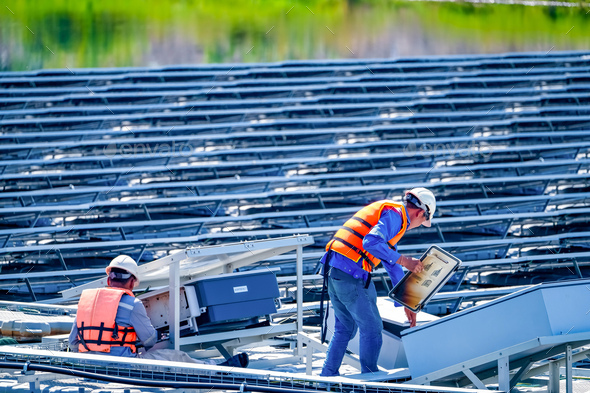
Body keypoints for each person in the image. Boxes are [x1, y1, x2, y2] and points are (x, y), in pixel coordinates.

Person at [320, 187, 436, 376]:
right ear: (421, 212)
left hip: (333, 269)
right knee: (372, 329)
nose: (420, 224)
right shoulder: (395, 216)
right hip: (350, 273)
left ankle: (327, 375)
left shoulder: (393, 215)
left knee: (345, 327)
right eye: (424, 221)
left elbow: (392, 264)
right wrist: (406, 260)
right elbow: (371, 243)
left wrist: (406, 302)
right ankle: (370, 379)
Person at [68, 255, 248, 368]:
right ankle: (218, 368)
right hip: (122, 365)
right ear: (132, 283)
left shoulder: (86, 302)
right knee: (175, 355)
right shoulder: (132, 304)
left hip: (88, 361)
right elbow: (149, 340)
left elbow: (73, 343)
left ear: (108, 280)